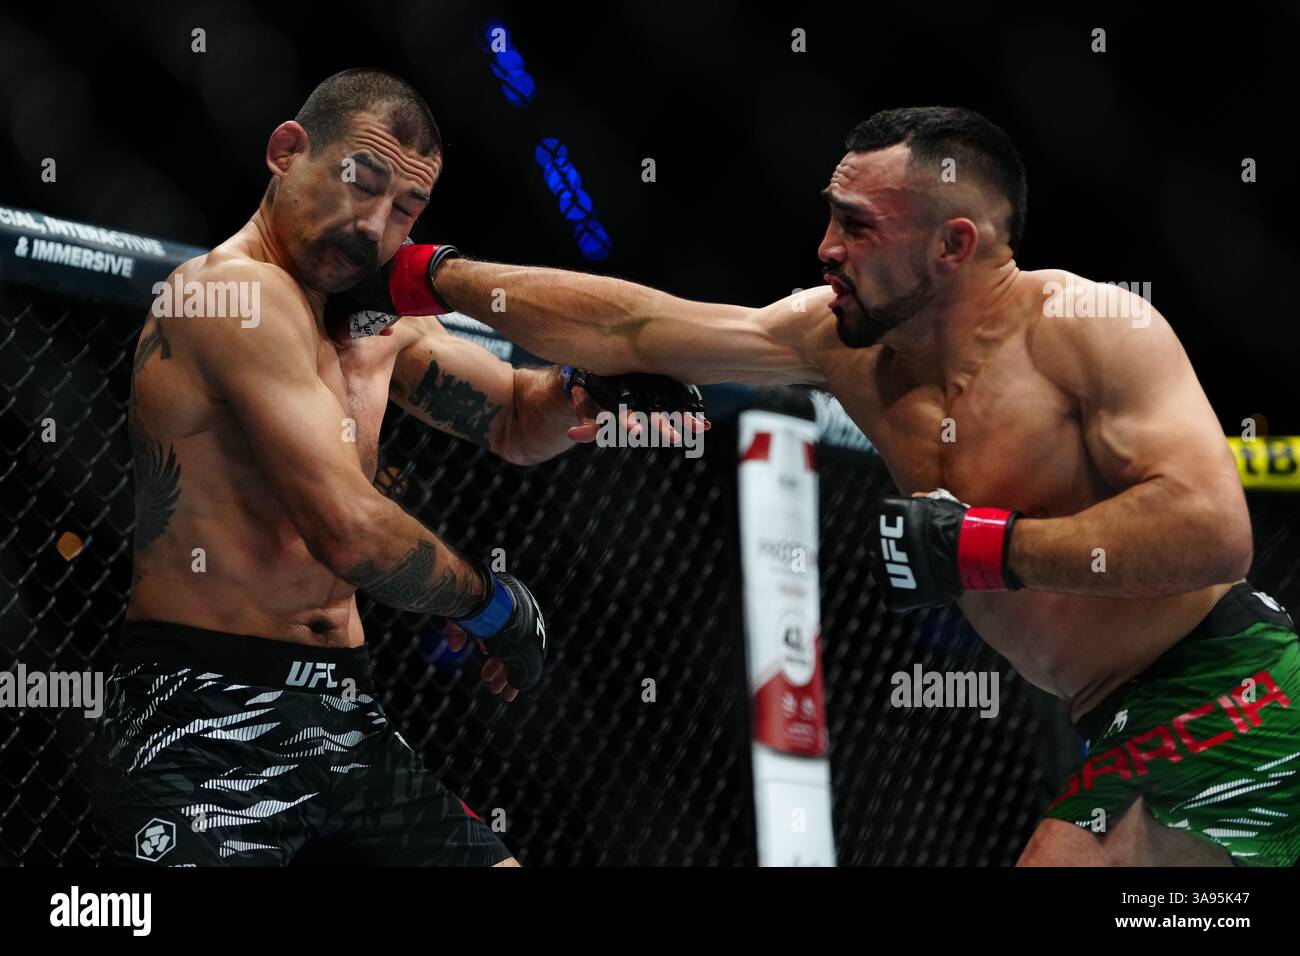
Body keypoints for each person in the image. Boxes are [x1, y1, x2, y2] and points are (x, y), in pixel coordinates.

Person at [350, 106, 1300, 866]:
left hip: (1228, 687)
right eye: (829, 216)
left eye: (857, 226)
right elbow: (638, 329)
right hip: (1118, 714)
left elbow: (1215, 530)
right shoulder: (840, 345)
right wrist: (434, 276)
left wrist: (984, 547)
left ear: (953, 245)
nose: (825, 249)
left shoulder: (1091, 328)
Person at [92, 68, 700, 867]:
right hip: (202, 710)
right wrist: (491, 605)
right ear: (286, 151)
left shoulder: (374, 328)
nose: (374, 225)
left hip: (345, 707)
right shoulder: (228, 295)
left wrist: (583, 388)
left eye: (405, 209)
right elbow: (349, 531)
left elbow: (516, 417)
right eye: (359, 182)